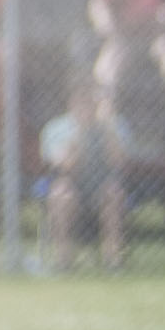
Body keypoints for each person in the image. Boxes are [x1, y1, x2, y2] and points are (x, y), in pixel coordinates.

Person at [42, 80, 127, 272]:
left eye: (92, 101)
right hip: (71, 184)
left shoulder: (113, 125)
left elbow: (118, 161)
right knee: (60, 194)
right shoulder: (56, 128)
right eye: (82, 100)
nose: (87, 106)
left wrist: (105, 128)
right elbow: (65, 165)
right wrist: (81, 131)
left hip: (103, 184)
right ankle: (64, 260)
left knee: (113, 194)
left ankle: (113, 261)